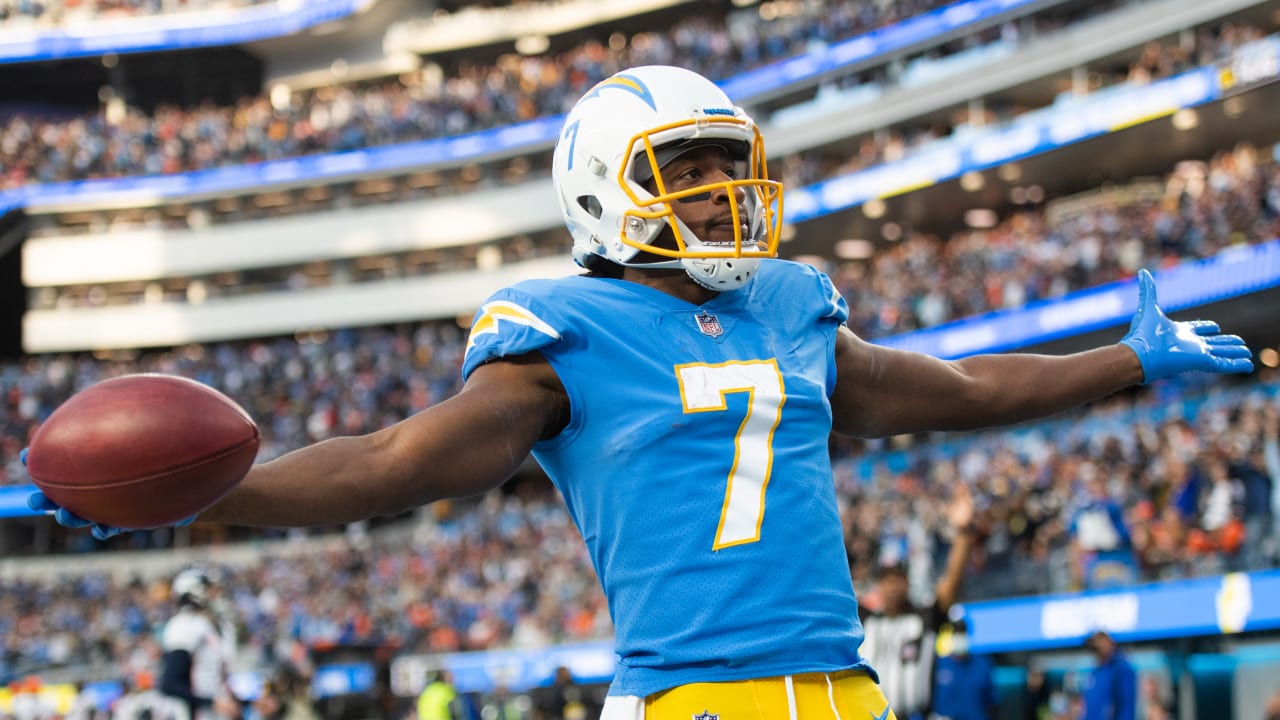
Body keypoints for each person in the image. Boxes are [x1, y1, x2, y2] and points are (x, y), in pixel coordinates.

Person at [26, 65, 1253, 719]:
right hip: (694, 705)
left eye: (734, 167)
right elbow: (393, 463)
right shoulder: (566, 334)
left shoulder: (788, 306)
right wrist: (202, 498)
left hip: (843, 691)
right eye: (688, 169)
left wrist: (1127, 359)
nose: (724, 192)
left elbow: (959, 389)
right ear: (605, 189)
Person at [860, 485, 980, 719]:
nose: (893, 586)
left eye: (898, 579)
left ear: (908, 582)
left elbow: (951, 585)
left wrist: (964, 533)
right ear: (878, 586)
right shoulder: (866, 621)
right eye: (886, 580)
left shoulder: (924, 618)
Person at [159, 569, 242, 720]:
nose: (216, 595)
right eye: (210, 590)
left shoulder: (215, 628)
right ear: (195, 594)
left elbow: (216, 681)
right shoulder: (185, 625)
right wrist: (211, 702)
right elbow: (170, 684)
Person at [929, 619, 996, 720]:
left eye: (962, 633)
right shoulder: (939, 664)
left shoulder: (982, 665)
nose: (960, 637)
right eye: (956, 633)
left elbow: (992, 702)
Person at [1081, 631, 1136, 720]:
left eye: (1098, 645)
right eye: (1094, 648)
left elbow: (1126, 706)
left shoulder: (1120, 669)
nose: (1097, 650)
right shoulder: (1095, 673)